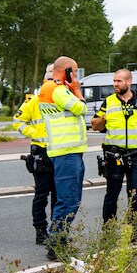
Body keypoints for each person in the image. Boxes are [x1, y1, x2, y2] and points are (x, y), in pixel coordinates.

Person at [91, 69, 137, 241]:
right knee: (111, 195)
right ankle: (108, 233)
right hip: (114, 156)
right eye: (114, 81)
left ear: (129, 82)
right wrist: (103, 118)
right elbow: (95, 125)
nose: (115, 84)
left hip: (136, 155)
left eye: (119, 81)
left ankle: (133, 234)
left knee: (135, 196)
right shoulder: (108, 101)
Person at [39, 56, 88, 260]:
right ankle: (56, 243)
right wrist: (77, 91)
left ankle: (60, 239)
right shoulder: (57, 90)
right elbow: (81, 108)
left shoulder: (49, 88)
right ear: (66, 71)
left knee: (69, 199)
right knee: (68, 200)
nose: (76, 76)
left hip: (66, 151)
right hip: (66, 152)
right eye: (74, 72)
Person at [13, 65, 57, 245]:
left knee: (59, 196)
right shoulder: (34, 101)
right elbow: (18, 121)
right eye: (49, 78)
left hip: (60, 152)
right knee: (41, 195)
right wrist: (35, 133)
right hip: (41, 151)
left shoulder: (62, 99)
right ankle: (40, 231)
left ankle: (56, 231)